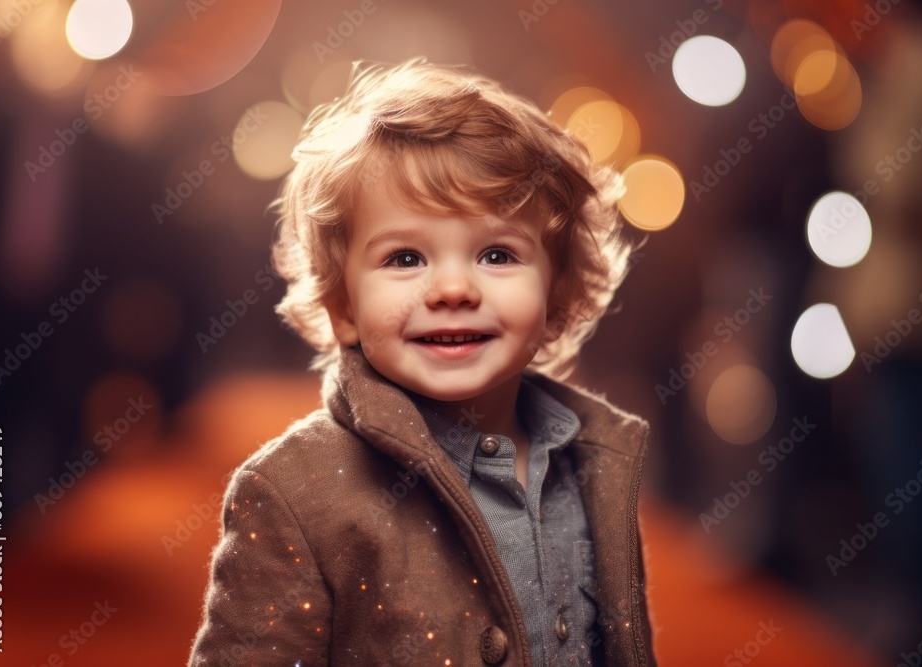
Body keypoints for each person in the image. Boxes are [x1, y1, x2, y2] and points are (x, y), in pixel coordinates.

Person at [189, 57, 656, 666]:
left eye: (496, 254)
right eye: (405, 258)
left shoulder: (594, 463)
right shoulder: (291, 493)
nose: (453, 289)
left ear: (556, 295)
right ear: (343, 306)